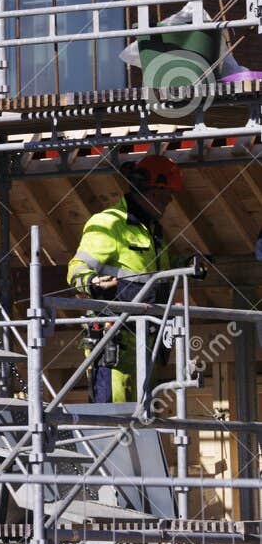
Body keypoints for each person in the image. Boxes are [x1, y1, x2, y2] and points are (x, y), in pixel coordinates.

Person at [66, 153, 183, 402]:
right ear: (151, 192)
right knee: (113, 415)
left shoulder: (153, 231)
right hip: (116, 345)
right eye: (166, 196)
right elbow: (77, 267)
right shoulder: (109, 223)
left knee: (144, 417)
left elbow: (152, 275)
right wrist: (92, 283)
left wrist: (186, 266)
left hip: (148, 342)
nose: (169, 202)